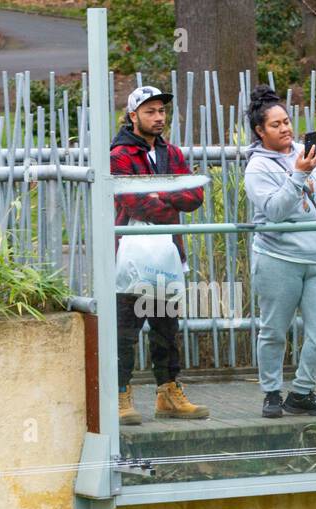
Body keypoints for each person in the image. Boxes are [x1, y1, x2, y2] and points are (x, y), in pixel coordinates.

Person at [243, 85, 316, 418]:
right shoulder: (257, 168)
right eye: (276, 125)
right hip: (278, 258)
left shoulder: (306, 151)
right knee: (274, 330)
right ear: (260, 131)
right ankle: (271, 391)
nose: (285, 128)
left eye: (286, 121)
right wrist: (298, 174)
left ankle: (301, 391)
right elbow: (274, 211)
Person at [111, 85, 209, 425]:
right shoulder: (119, 154)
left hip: (167, 251)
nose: (158, 117)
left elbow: (195, 195)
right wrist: (170, 198)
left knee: (166, 326)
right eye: (150, 111)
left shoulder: (172, 153)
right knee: (126, 327)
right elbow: (132, 200)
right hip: (131, 252)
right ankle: (119, 395)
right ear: (133, 115)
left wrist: (159, 198)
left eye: (162, 111)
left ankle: (168, 392)